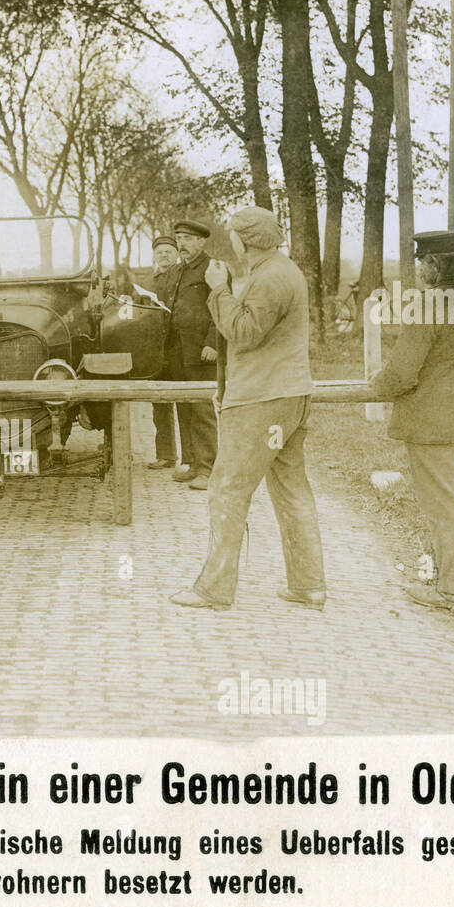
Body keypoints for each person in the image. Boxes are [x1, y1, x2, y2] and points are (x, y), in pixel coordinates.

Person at [170, 205, 325, 611]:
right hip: (288, 397)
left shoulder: (270, 278)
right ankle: (308, 585)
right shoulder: (280, 271)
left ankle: (214, 589)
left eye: (233, 234)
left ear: (243, 240)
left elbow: (243, 333)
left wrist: (217, 289)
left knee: (227, 490)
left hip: (261, 400)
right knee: (292, 489)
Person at [370, 229, 454, 612]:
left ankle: (452, 591)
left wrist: (377, 386)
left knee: (443, 506)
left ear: (432, 265)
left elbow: (401, 374)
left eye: (420, 262)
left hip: (431, 423)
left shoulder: (426, 304)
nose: (418, 269)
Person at [163, 219, 219, 488]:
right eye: (179, 238)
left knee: (202, 409)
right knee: (183, 408)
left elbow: (221, 308)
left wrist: (213, 343)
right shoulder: (176, 271)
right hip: (177, 351)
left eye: (187, 238)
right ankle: (192, 463)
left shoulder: (214, 269)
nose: (181, 244)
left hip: (201, 351)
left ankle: (209, 469)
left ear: (201, 241)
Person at [145, 234, 182, 470]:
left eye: (168, 251)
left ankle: (194, 457)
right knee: (160, 403)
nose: (164, 255)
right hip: (157, 350)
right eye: (160, 252)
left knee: (188, 403)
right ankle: (166, 454)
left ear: (176, 254)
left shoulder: (181, 277)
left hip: (179, 347)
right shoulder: (150, 282)